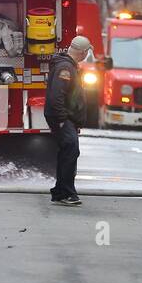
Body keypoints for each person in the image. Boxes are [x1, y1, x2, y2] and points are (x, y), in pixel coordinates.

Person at [45, 35, 91, 206]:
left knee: (69, 151)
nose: (86, 55)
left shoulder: (69, 66)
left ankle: (60, 192)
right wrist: (63, 119)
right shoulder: (65, 68)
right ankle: (66, 192)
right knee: (71, 151)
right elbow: (57, 95)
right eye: (86, 52)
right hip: (62, 118)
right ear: (82, 52)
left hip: (65, 118)